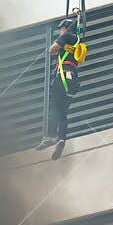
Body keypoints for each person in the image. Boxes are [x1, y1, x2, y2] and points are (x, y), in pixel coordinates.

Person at [38, 12, 84, 153]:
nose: (60, 31)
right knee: (62, 112)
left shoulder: (67, 37)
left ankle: (51, 135)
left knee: (54, 106)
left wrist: (60, 41)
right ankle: (61, 138)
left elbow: (51, 50)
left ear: (66, 28)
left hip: (63, 77)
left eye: (61, 28)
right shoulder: (76, 40)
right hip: (72, 80)